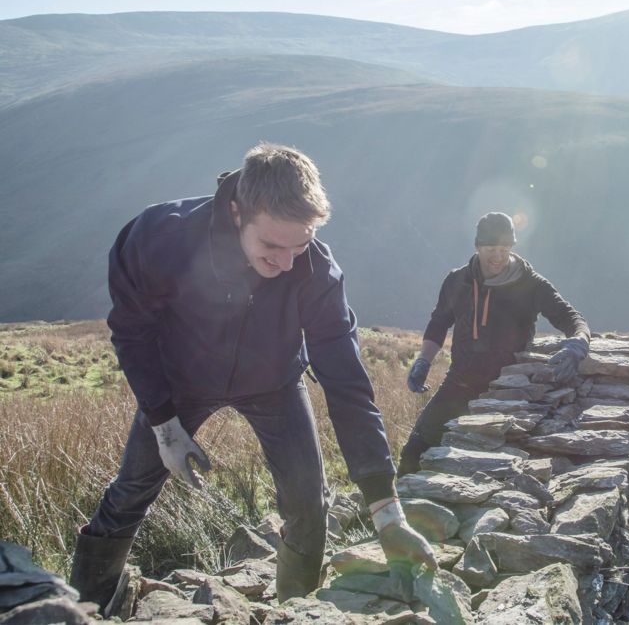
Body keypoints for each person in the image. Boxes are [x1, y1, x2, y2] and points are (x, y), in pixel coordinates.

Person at [69, 143, 435, 611]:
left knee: (308, 505)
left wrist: (388, 513)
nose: (285, 262)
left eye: (298, 245)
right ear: (239, 211)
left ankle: (295, 609)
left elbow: (347, 385)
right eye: (270, 246)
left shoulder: (315, 271)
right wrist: (164, 425)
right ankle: (84, 607)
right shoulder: (161, 239)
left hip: (275, 382)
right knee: (129, 493)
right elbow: (132, 331)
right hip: (180, 383)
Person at [398, 212, 590, 474]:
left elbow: (570, 318)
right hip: (459, 384)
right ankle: (400, 509)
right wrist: (423, 361)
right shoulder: (457, 281)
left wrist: (578, 343)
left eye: (505, 248)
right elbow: (439, 323)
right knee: (414, 453)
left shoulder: (531, 284)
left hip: (508, 391)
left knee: (491, 467)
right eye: (491, 249)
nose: (498, 256)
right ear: (477, 246)